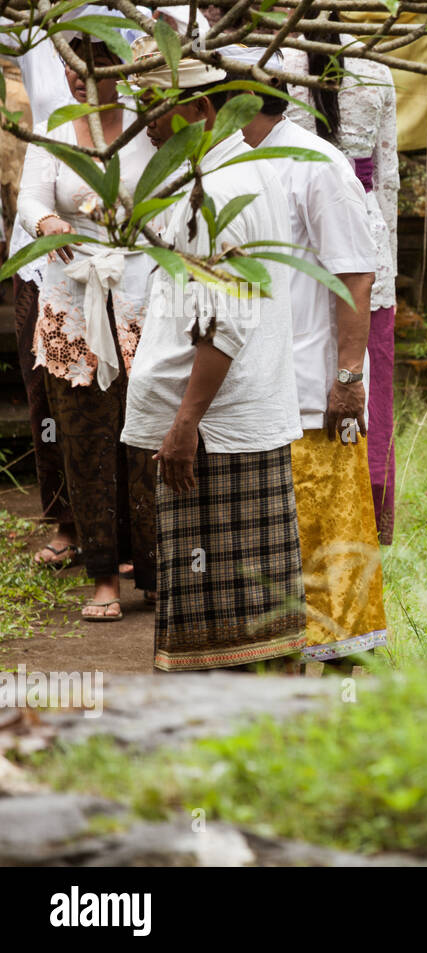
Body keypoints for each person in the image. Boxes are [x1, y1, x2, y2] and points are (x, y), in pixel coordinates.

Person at [121, 38, 306, 671]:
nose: (145, 121)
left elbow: (224, 324)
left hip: (217, 431)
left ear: (198, 108)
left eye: (155, 104)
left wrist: (184, 424)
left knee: (229, 627)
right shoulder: (238, 170)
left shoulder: (222, 187)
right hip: (229, 422)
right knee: (245, 616)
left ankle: (233, 740)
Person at [233, 49, 388, 664]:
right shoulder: (233, 165)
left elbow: (355, 275)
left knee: (330, 525)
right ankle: (284, 652)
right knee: (275, 533)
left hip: (310, 381)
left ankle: (350, 658)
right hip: (252, 384)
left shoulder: (316, 164)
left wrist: (348, 378)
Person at [16, 36, 157, 619]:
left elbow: (173, 203)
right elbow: (28, 199)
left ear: (119, 72)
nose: (79, 79)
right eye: (72, 69)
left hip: (140, 299)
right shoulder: (53, 128)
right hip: (71, 299)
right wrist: (53, 221)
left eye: (92, 69)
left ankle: (151, 569)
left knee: (144, 436)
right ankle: (103, 576)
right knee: (82, 436)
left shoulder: (150, 132)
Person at [282, 14, 401, 545]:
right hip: (365, 246)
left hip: (290, 244)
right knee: (364, 383)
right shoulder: (378, 62)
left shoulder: (268, 61)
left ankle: (296, 519)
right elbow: (388, 175)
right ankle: (363, 522)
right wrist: (385, 265)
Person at [2, 17, 78, 566]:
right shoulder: (37, 23)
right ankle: (66, 520)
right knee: (47, 393)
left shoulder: (147, 26)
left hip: (121, 250)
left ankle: (123, 529)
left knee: (121, 397)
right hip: (41, 246)